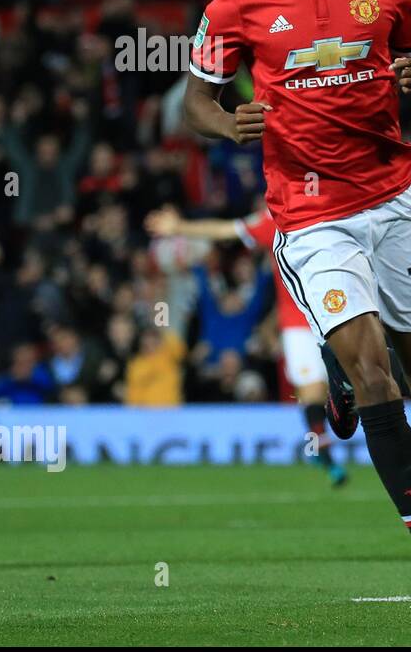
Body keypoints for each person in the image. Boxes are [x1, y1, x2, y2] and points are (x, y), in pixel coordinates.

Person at [182, 0, 411, 601]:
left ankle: (343, 387)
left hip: (393, 202)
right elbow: (196, 99)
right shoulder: (236, 1)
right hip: (312, 216)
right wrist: (227, 124)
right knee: (378, 374)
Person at [145, 204, 347, 486]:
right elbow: (226, 229)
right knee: (312, 390)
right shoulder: (276, 218)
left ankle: (332, 438)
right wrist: (179, 228)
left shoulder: (338, 208)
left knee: (345, 386)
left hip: (345, 315)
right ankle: (322, 448)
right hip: (299, 323)